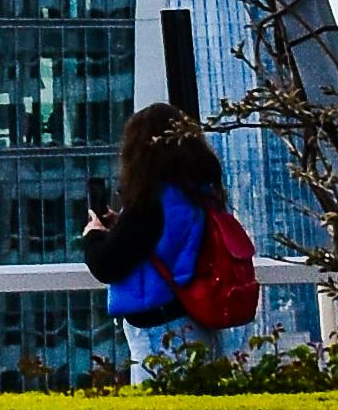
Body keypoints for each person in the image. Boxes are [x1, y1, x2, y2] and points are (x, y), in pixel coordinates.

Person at [82, 103, 249, 382]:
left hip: (158, 330)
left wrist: (94, 235)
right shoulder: (199, 193)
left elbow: (107, 265)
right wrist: (120, 224)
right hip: (194, 319)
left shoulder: (150, 203)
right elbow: (167, 243)